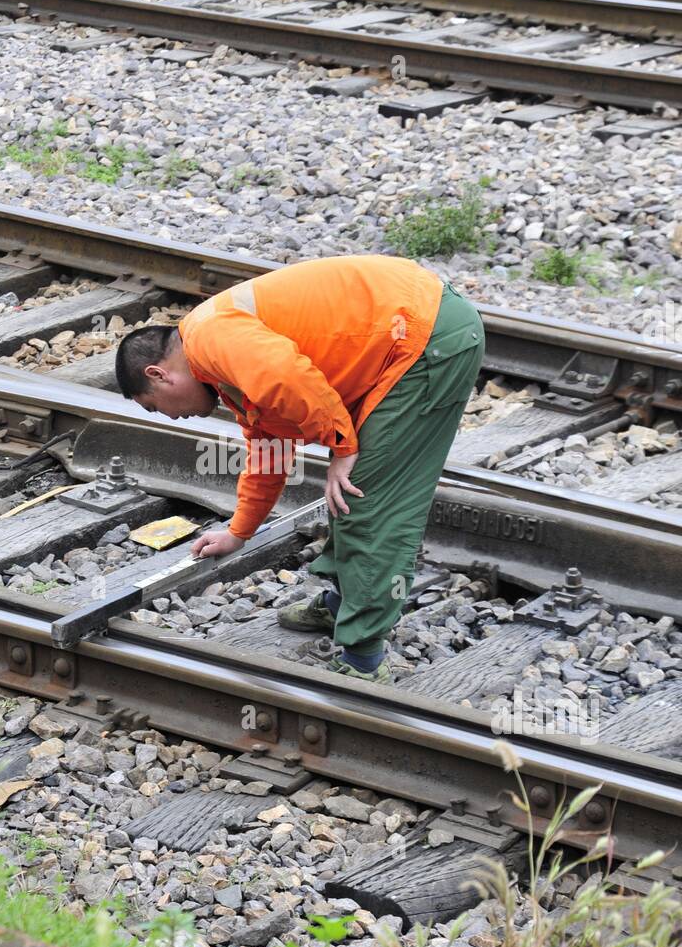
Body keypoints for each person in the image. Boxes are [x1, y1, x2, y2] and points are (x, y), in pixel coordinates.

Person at [115, 255, 484, 682]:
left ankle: (363, 660)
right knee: (349, 487)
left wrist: (341, 446)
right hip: (405, 333)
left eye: (154, 406)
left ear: (158, 375)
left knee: (367, 496)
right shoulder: (220, 365)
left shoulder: (211, 340)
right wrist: (239, 532)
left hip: (424, 338)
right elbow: (270, 449)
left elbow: (289, 378)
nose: (169, 417)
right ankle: (342, 605)